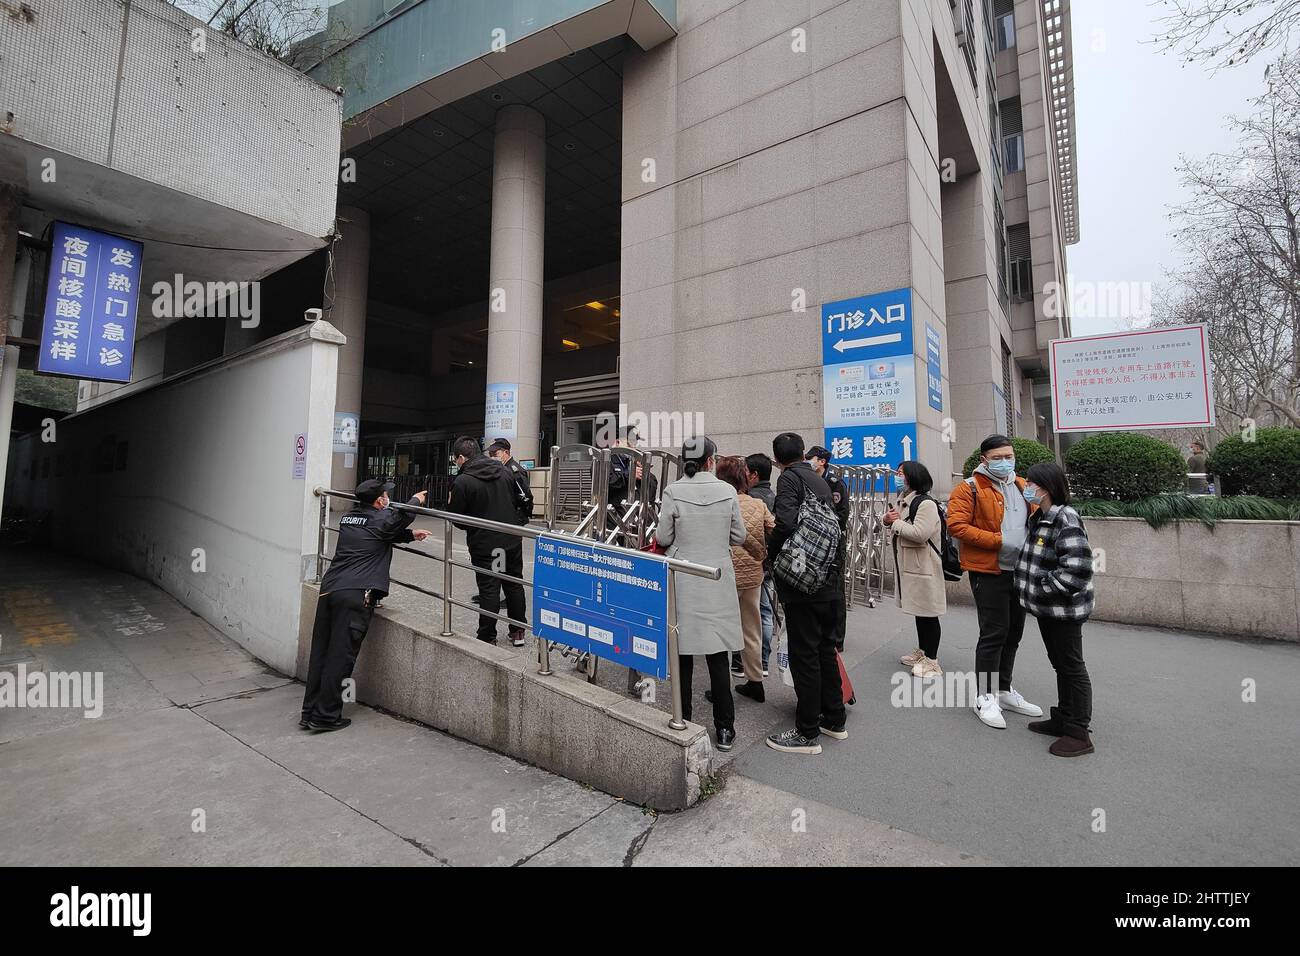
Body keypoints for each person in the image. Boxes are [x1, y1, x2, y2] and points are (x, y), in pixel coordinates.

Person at [301, 479, 432, 731]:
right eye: (386, 495)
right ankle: (325, 717)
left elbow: (379, 533)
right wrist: (416, 500)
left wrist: (409, 536)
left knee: (322, 652)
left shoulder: (349, 519)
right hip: (356, 594)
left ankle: (309, 711)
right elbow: (398, 518)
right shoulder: (381, 520)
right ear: (379, 501)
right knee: (340, 656)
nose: (388, 499)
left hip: (331, 590)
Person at [653, 436, 746, 752]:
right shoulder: (728, 491)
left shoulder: (673, 490)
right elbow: (739, 535)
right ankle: (725, 729)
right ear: (711, 460)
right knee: (718, 654)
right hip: (717, 577)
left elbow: (663, 535)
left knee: (682, 652)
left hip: (683, 576)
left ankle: (685, 721)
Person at [947, 435, 1042, 729]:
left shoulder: (1023, 486)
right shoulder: (969, 488)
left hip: (1020, 570)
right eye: (998, 457)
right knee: (993, 633)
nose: (1005, 461)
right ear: (984, 459)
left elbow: (1038, 519)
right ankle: (984, 696)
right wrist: (1000, 541)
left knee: (1014, 631)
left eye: (1009, 456)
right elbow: (956, 525)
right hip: (988, 570)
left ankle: (1003, 689)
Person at [766, 432, 846, 755]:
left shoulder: (787, 481)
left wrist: (771, 553)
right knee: (825, 650)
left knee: (804, 654)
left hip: (802, 581)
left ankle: (807, 731)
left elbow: (784, 523)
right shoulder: (820, 480)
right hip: (828, 579)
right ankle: (835, 718)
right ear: (803, 452)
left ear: (776, 461)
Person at [1015, 462, 1096, 757]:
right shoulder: (1044, 517)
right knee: (1061, 664)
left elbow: (1077, 569)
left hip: (1063, 611)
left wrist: (1041, 590)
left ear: (1045, 487)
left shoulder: (1066, 518)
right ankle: (1063, 717)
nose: (1027, 488)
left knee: (1072, 667)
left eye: (1031, 483)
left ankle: (1079, 732)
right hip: (1049, 610)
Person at [448, 436, 528, 647]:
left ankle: (487, 636)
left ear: (462, 457)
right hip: (510, 538)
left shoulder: (463, 481)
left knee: (489, 588)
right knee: (514, 584)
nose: (456, 463)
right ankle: (518, 631)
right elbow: (520, 500)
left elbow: (457, 517)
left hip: (485, 544)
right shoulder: (504, 470)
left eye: (455, 460)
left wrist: (473, 527)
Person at [716, 455, 774, 702]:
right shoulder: (757, 504)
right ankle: (755, 681)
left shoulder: (718, 502)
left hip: (724, 576)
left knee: (719, 632)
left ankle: (721, 688)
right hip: (753, 575)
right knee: (752, 630)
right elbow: (774, 529)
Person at [883, 461, 946, 679]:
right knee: (920, 611)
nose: (897, 476)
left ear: (913, 477)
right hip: (911, 565)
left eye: (901, 473)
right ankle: (922, 652)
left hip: (924, 565)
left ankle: (932, 660)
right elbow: (894, 522)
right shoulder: (903, 500)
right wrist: (887, 520)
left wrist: (896, 523)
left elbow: (921, 533)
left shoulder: (925, 504)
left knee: (928, 613)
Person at [805, 446, 850, 652]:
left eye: (811, 458)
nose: (808, 462)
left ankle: (836, 638)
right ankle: (819, 632)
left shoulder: (835, 484)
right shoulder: (806, 480)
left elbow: (842, 515)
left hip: (832, 542)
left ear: (822, 461)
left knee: (835, 589)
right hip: (813, 542)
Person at [746, 453, 777, 676]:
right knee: (765, 611)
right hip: (769, 563)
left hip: (750, 564)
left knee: (747, 614)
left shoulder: (748, 499)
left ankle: (746, 663)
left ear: (754, 475)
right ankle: (764, 662)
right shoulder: (776, 497)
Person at [487, 438, 534, 524]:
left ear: (506, 452)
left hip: (514, 515)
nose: (492, 457)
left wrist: (520, 512)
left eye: (495, 454)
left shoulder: (514, 470)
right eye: (490, 454)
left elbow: (525, 495)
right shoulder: (501, 468)